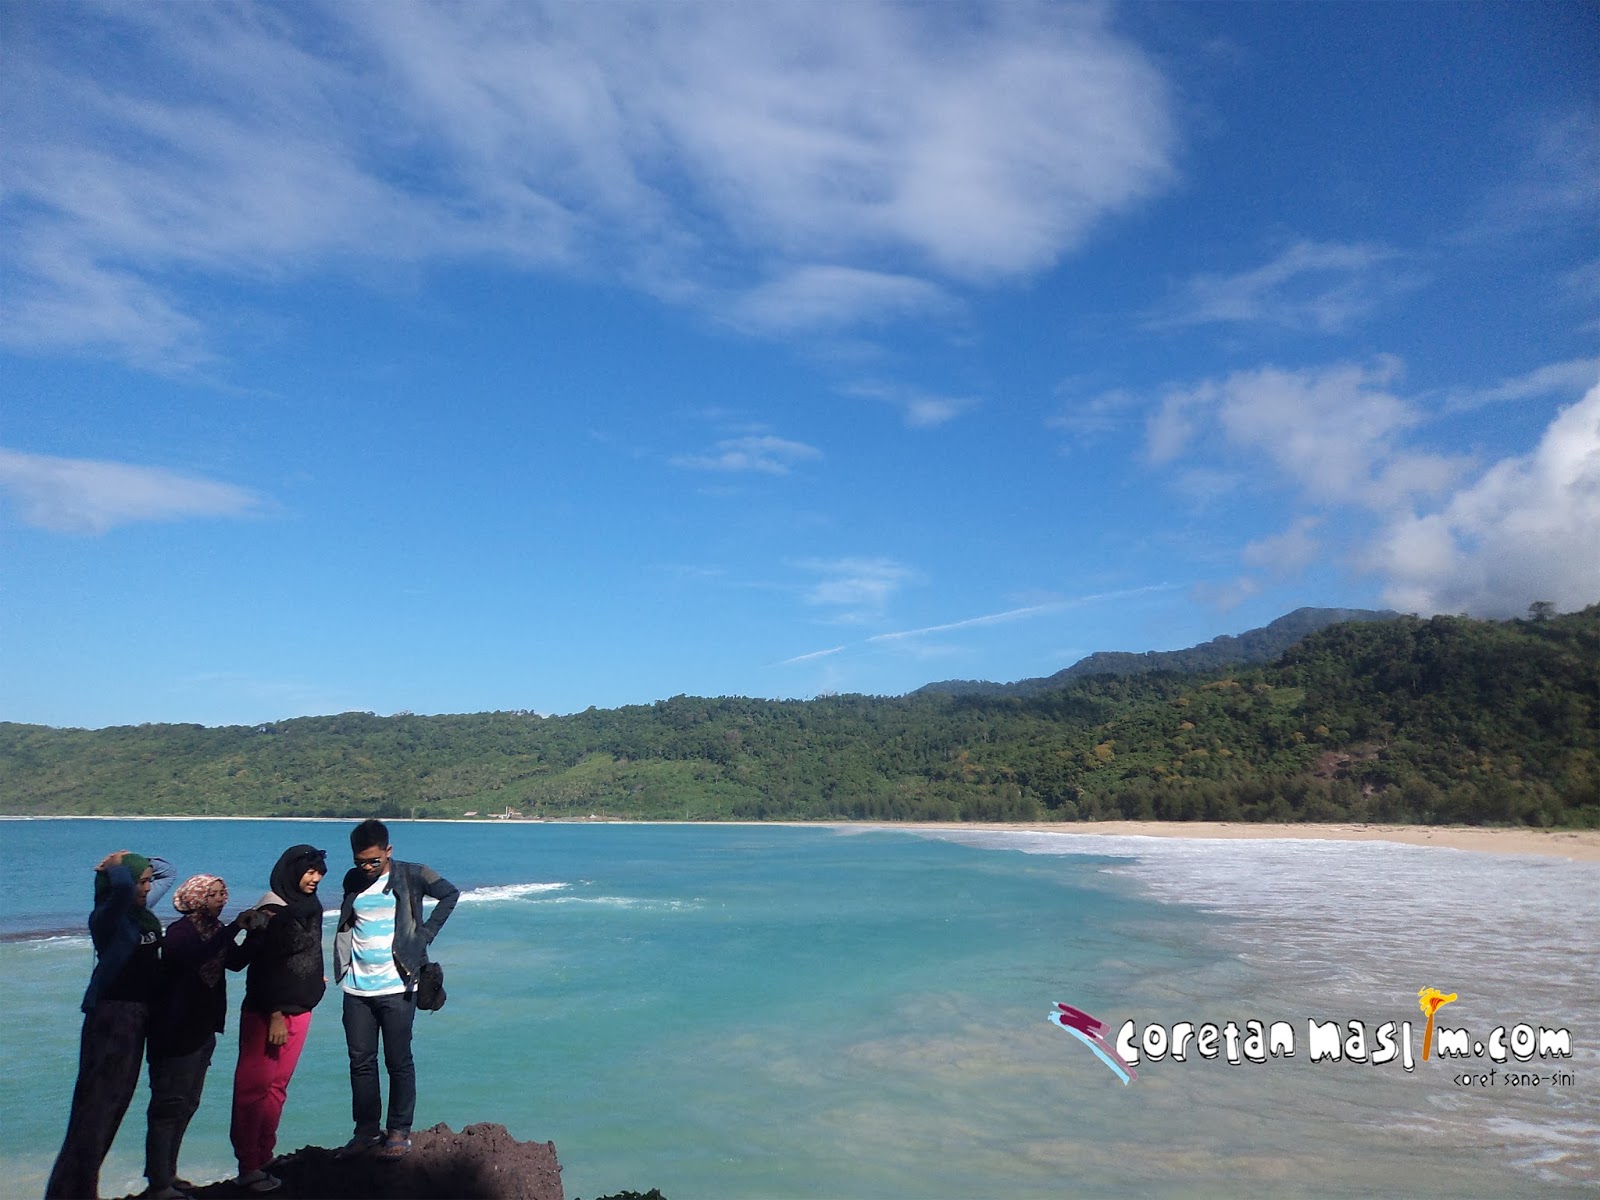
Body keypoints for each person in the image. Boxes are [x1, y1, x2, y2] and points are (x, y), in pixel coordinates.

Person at [46, 849, 176, 1200]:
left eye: (147, 881)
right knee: (96, 1109)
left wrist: (128, 858)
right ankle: (73, 1191)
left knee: (115, 1106)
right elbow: (121, 889)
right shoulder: (108, 916)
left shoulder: (141, 914)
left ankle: (81, 1187)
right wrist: (118, 868)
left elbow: (168, 873)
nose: (149, 888)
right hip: (114, 1016)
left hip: (139, 1015)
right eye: (142, 882)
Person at [332, 819, 459, 1159]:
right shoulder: (353, 879)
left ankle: (399, 1130)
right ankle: (365, 1130)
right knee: (360, 1063)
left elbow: (450, 893)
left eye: (374, 860)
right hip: (357, 987)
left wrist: (425, 934)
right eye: (360, 861)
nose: (367, 867)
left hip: (398, 984)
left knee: (398, 1061)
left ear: (389, 851)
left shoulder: (412, 874)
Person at [143, 875, 254, 1200]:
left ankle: (167, 1174)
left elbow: (234, 963)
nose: (221, 899)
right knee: (168, 1107)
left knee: (187, 1104)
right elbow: (195, 958)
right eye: (214, 895)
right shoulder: (179, 933)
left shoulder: (215, 931)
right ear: (196, 899)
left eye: (223, 893)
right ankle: (159, 1183)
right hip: (174, 1034)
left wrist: (256, 934)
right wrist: (235, 927)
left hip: (203, 1030)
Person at [230, 845, 328, 1194]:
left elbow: (303, 952)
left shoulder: (310, 906)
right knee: (252, 1090)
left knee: (277, 1089)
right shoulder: (272, 909)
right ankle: (247, 1166)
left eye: (319, 872)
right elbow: (256, 965)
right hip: (268, 1015)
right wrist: (274, 1013)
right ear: (291, 871)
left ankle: (264, 1156)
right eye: (309, 871)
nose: (315, 878)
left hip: (301, 1010)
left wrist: (313, 978)